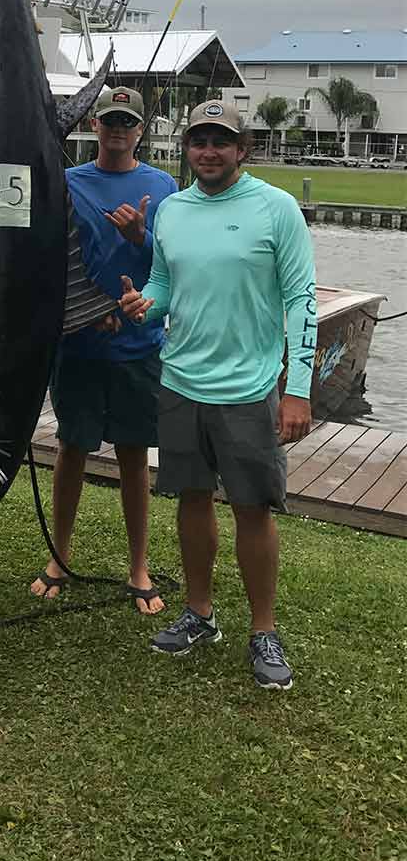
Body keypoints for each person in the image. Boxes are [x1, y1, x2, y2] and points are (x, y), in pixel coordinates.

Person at [118, 100, 316, 690]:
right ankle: (200, 614)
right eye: (198, 141)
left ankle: (263, 631)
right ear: (186, 148)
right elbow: (163, 282)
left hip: (250, 388)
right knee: (192, 499)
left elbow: (302, 300)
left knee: (253, 509)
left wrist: (296, 390)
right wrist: (145, 305)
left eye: (220, 142)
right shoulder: (173, 211)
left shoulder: (276, 209)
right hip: (180, 381)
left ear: (243, 150)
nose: (208, 151)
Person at [29, 86, 177, 613]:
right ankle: (59, 557)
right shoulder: (65, 182)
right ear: (95, 124)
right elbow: (45, 256)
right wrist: (91, 310)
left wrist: (141, 237)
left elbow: (175, 264)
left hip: (139, 345)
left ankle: (139, 565)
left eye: (127, 122)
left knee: (135, 457)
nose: (118, 129)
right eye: (110, 120)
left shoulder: (163, 185)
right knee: (72, 449)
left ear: (141, 129)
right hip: (79, 342)